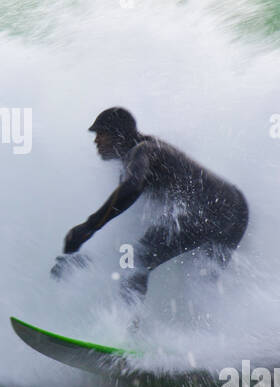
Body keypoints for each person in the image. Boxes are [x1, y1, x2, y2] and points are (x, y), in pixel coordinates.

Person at [56, 107, 249, 302]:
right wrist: (89, 257)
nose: (96, 140)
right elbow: (124, 220)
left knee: (138, 259)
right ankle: (204, 329)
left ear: (119, 135)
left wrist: (88, 226)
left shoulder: (142, 151)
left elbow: (131, 189)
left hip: (213, 209)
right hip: (236, 209)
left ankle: (127, 327)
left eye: (101, 134)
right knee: (203, 281)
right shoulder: (141, 156)